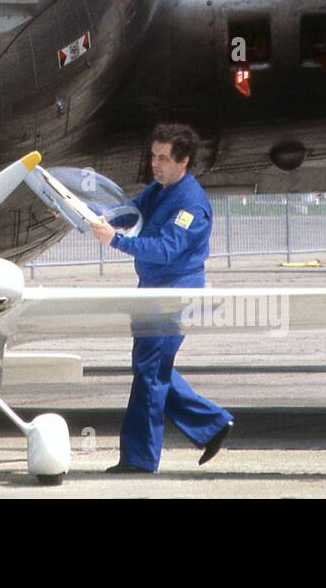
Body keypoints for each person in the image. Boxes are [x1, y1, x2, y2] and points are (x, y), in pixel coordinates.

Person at [89, 123, 233, 473]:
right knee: (149, 368)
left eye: (164, 158)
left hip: (175, 295)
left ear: (183, 161)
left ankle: (139, 459)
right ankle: (211, 423)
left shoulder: (190, 204)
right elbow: (124, 213)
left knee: (150, 373)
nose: (155, 164)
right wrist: (80, 214)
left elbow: (167, 249)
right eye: (153, 156)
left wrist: (116, 241)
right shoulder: (158, 191)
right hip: (152, 292)